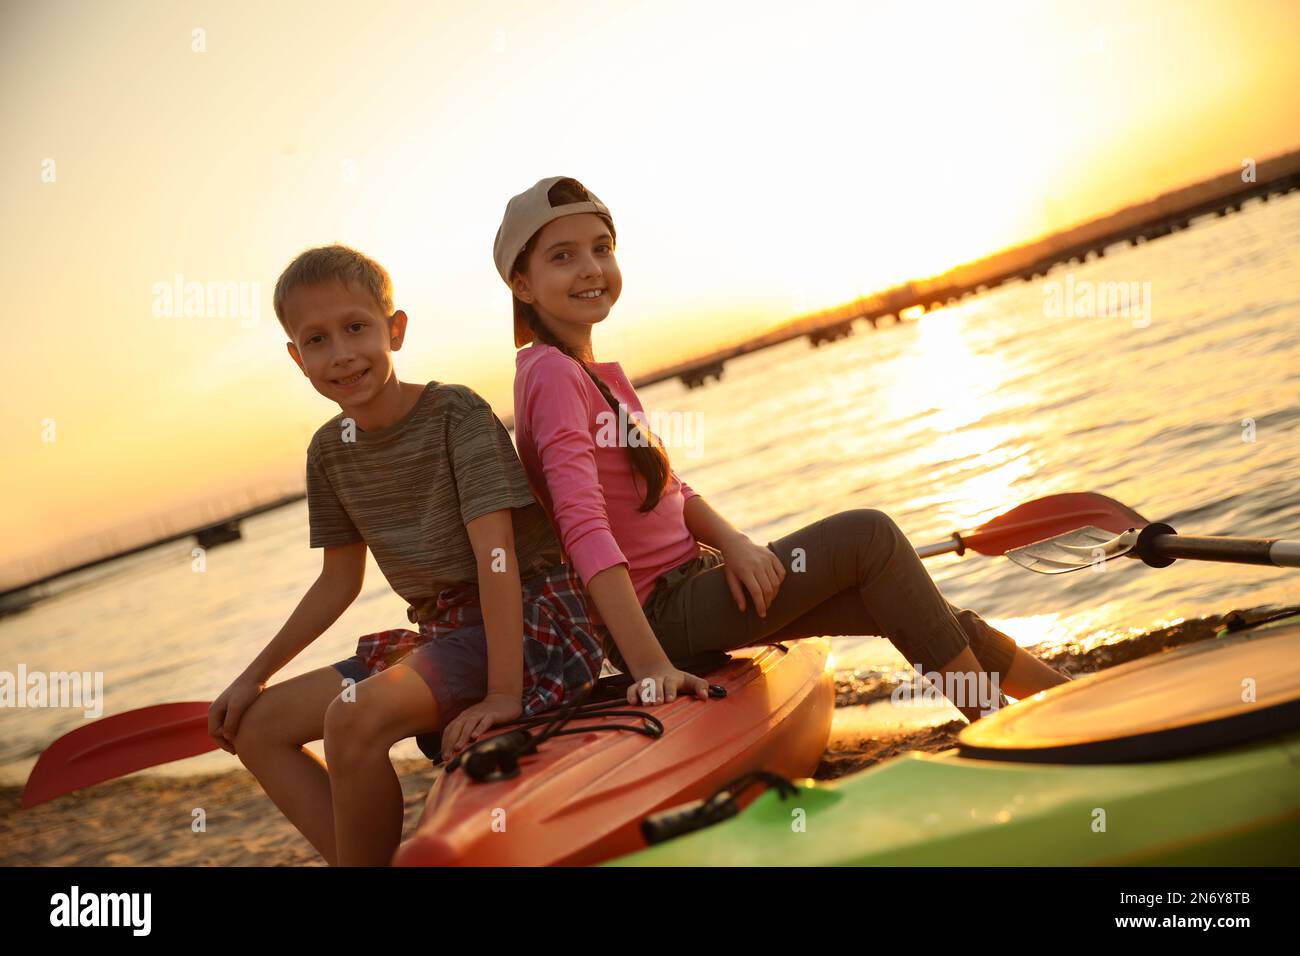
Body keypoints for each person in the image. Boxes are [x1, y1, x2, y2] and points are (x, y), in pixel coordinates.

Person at [496, 176, 1071, 720]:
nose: (591, 268)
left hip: (697, 582)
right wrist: (650, 665)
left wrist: (737, 545)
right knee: (870, 535)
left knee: (907, 599)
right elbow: (582, 526)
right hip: (661, 616)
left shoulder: (583, 370)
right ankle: (1001, 728)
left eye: (602, 247)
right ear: (522, 284)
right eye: (562, 256)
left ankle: (1066, 704)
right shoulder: (550, 374)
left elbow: (670, 491)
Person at [207, 244, 605, 866]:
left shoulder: (455, 413)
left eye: (356, 328)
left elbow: (497, 559)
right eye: (316, 340)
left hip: (530, 623)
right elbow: (338, 582)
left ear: (395, 330)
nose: (341, 354)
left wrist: (503, 695)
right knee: (257, 728)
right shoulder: (329, 452)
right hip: (442, 637)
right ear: (296, 358)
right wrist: (252, 676)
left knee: (351, 720)